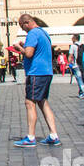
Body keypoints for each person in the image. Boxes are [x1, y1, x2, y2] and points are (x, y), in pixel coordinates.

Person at [14, 14, 60, 147]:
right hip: (46, 72)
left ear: (26, 23)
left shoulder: (32, 33)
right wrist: (26, 46)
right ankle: (53, 135)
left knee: (30, 102)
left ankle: (30, 137)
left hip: (36, 72)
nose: (23, 30)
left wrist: (19, 49)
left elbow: (29, 53)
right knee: (43, 102)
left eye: (22, 27)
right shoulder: (43, 33)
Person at [68, 34, 84, 98]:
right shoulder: (83, 45)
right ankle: (81, 92)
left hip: (76, 65)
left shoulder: (73, 46)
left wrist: (69, 63)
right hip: (83, 64)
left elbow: (71, 56)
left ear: (74, 38)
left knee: (79, 79)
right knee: (83, 78)